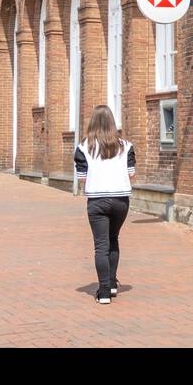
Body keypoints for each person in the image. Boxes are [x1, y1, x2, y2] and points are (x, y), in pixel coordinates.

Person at [74, 105, 135, 304]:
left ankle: (104, 291)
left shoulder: (84, 146)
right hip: (120, 200)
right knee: (113, 239)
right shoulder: (126, 146)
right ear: (112, 124)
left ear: (93, 123)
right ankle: (113, 283)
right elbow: (131, 174)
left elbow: (82, 178)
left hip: (97, 200)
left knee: (101, 245)